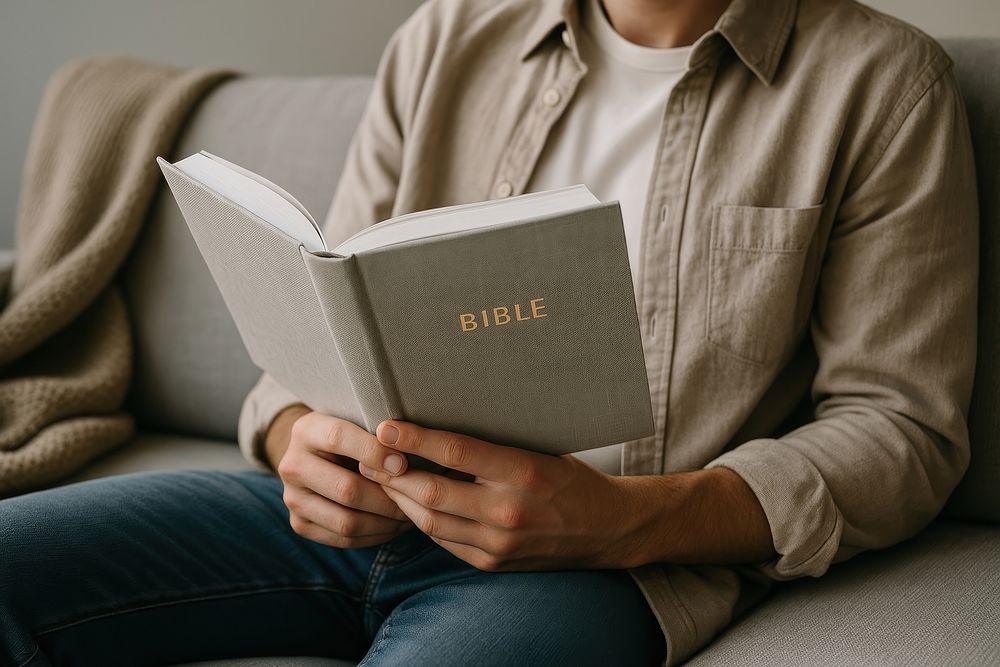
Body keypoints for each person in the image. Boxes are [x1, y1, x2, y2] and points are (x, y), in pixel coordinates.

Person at [0, 0, 978, 665]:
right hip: (363, 515)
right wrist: (301, 439)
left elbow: (902, 428)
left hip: (603, 568)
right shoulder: (446, 36)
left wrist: (627, 518)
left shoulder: (881, 84)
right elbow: (321, 306)